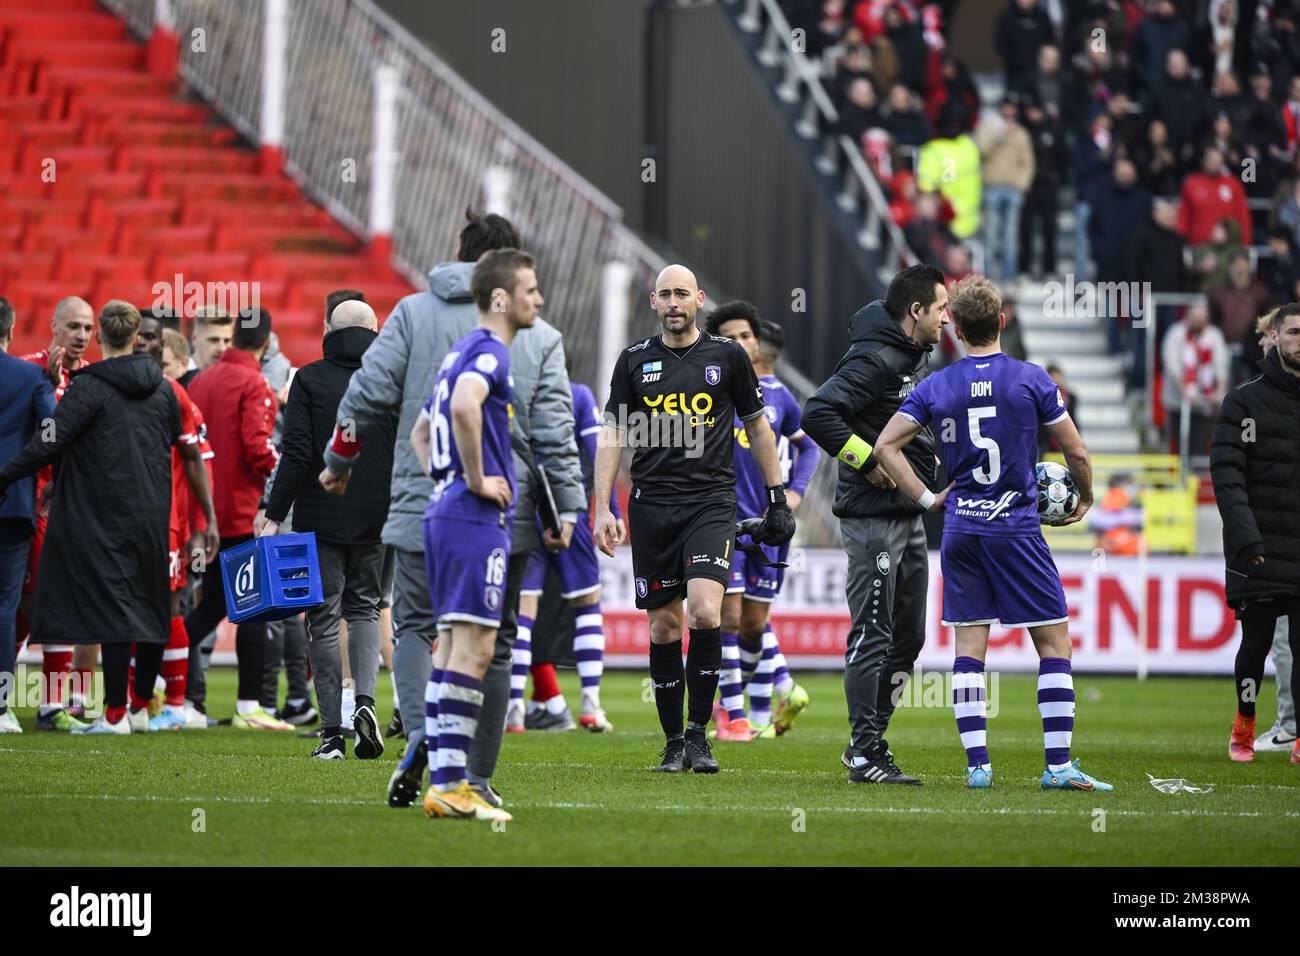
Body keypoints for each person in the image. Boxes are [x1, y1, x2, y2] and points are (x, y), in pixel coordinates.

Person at [325, 210, 585, 812]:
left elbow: (365, 393)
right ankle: (474, 772)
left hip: (425, 502)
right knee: (493, 639)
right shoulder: (534, 337)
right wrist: (567, 507)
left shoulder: (414, 313)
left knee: (417, 627)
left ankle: (423, 738)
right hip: (500, 509)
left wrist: (338, 464)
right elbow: (553, 433)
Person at [874, 275, 1112, 792]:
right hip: (1017, 530)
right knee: (1053, 644)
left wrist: (927, 498)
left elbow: (885, 447)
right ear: (1002, 321)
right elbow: (1076, 452)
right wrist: (1086, 495)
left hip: (961, 528)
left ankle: (978, 767)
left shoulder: (937, 385)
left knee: (969, 649)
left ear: (954, 329)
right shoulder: (1032, 379)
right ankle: (1057, 766)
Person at [592, 264, 793, 774]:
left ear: (699, 299)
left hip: (711, 503)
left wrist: (776, 497)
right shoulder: (633, 361)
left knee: (706, 612)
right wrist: (603, 508)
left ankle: (700, 735)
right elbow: (612, 434)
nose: (675, 302)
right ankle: (673, 741)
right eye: (666, 295)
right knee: (663, 626)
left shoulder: (727, 357)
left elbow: (759, 427)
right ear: (654, 302)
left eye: (683, 293)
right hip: (652, 506)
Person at [0, 301, 214, 735]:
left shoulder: (87, 387)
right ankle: (135, 708)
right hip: (156, 516)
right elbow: (192, 454)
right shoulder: (167, 389)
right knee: (152, 608)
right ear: (137, 338)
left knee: (107, 611)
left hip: (101, 519)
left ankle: (112, 713)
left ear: (99, 336)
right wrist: (206, 518)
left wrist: (5, 474)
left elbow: (48, 443)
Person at [408, 249, 543, 823]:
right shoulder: (489, 352)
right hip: (470, 519)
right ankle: (451, 785)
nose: (538, 300)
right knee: (478, 648)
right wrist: (475, 480)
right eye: (530, 290)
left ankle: (442, 780)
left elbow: (419, 431)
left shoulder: (456, 353)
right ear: (499, 299)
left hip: (445, 513)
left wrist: (445, 483)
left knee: (454, 645)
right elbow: (465, 407)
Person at [800, 265, 947, 785]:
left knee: (909, 637)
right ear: (916, 312)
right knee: (873, 634)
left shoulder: (909, 355)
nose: (947, 317)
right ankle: (865, 752)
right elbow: (816, 413)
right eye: (941, 308)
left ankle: (867, 742)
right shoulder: (875, 358)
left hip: (906, 521)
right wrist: (867, 459)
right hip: (871, 522)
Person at [260, 299, 393, 759]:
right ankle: (366, 704)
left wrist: (275, 514)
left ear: (327, 331)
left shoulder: (308, 379)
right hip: (380, 516)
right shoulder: (391, 376)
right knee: (366, 611)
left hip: (320, 513)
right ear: (375, 330)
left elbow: (295, 454)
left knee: (321, 620)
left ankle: (331, 734)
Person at [705, 305, 817, 741]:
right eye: (731, 337)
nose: (742, 344)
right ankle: (733, 716)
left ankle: (753, 711)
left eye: (747, 336)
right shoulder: (709, 392)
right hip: (723, 522)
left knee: (754, 624)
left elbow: (809, 448)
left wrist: (795, 492)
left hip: (770, 526)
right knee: (727, 617)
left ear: (757, 343)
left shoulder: (778, 396)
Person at [183, 306, 291, 730]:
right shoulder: (256, 384)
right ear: (266, 342)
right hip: (242, 514)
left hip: (206, 514)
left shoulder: (201, 381)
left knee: (210, 604)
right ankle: (249, 707)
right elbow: (258, 450)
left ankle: (152, 678)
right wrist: (290, 472)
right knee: (253, 609)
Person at [507, 357, 623, 735]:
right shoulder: (577, 395)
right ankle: (590, 703)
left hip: (524, 513)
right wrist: (610, 510)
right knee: (587, 603)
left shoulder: (513, 394)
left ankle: (514, 709)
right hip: (567, 511)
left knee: (523, 611)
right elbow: (595, 452)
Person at [1210, 303, 1300, 764]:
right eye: (1294, 332)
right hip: (1259, 548)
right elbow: (1227, 473)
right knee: (1255, 650)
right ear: (1275, 338)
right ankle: (1245, 718)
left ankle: (1297, 734)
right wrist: (1246, 538)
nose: (1299, 341)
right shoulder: (1245, 401)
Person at [133, 318, 219, 732]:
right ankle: (138, 703)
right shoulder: (147, 397)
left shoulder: (179, 399)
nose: (160, 373)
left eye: (166, 366)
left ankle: (175, 703)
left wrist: (201, 528)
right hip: (142, 523)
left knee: (168, 612)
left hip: (172, 525)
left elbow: (203, 465)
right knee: (137, 613)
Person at [20, 296, 95, 730]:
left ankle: (54, 706)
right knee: (22, 609)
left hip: (76, 511)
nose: (81, 336)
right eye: (73, 327)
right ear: (53, 325)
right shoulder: (27, 371)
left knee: (71, 605)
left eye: (87, 328)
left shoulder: (93, 379)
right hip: (31, 506)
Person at [0, 297, 54, 733]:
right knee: (4, 605)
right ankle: (0, 708)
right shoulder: (31, 377)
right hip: (13, 504)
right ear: (11, 330)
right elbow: (52, 435)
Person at [975, 95, 1035, 282]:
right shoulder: (987, 128)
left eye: (1013, 108)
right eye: (1006, 107)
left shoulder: (1022, 133)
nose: (1010, 111)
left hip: (1013, 191)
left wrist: (1022, 185)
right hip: (991, 188)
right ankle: (988, 278)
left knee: (1010, 238)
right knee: (990, 237)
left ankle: (1009, 278)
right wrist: (998, 135)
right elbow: (980, 150)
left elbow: (1028, 163)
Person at [1161, 303, 1228, 460]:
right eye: (1194, 318)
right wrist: (1185, 392)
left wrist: (1218, 393)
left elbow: (1221, 366)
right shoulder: (1176, 333)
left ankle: (1194, 478)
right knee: (1178, 445)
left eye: (1201, 319)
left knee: (1199, 446)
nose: (1197, 322)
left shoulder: (1214, 335)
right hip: (1177, 402)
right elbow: (1173, 367)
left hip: (1205, 402)